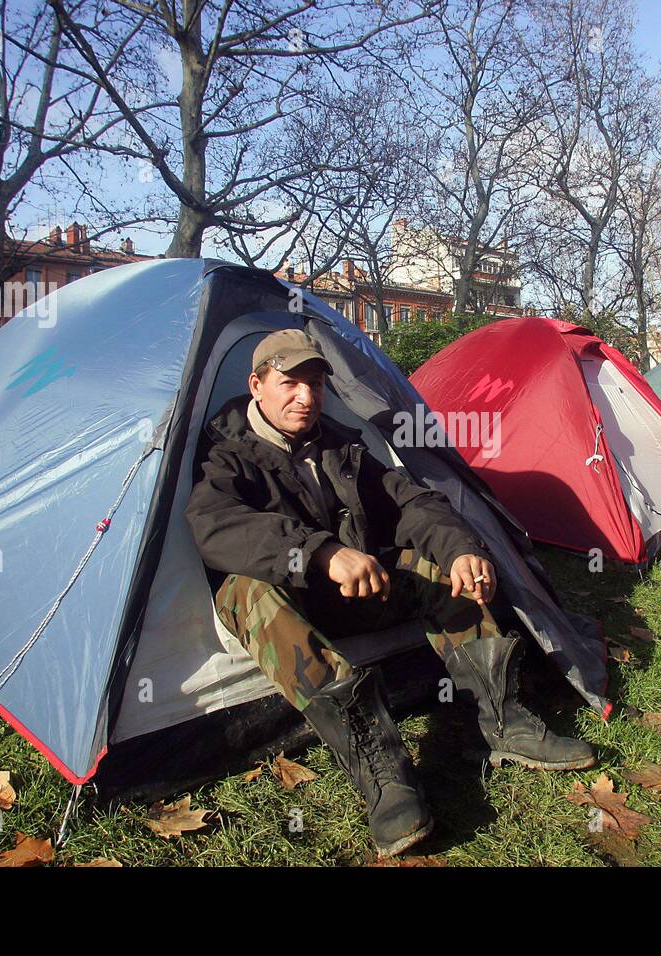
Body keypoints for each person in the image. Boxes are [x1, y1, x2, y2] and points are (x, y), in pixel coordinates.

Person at [184, 328, 594, 857]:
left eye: (315, 384)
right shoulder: (225, 455)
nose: (305, 397)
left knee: (444, 567)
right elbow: (217, 528)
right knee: (245, 590)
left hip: (364, 591)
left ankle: (506, 719)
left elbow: (410, 502)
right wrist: (321, 553)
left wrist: (460, 549)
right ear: (257, 384)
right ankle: (382, 771)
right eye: (289, 383)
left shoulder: (339, 444)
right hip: (296, 607)